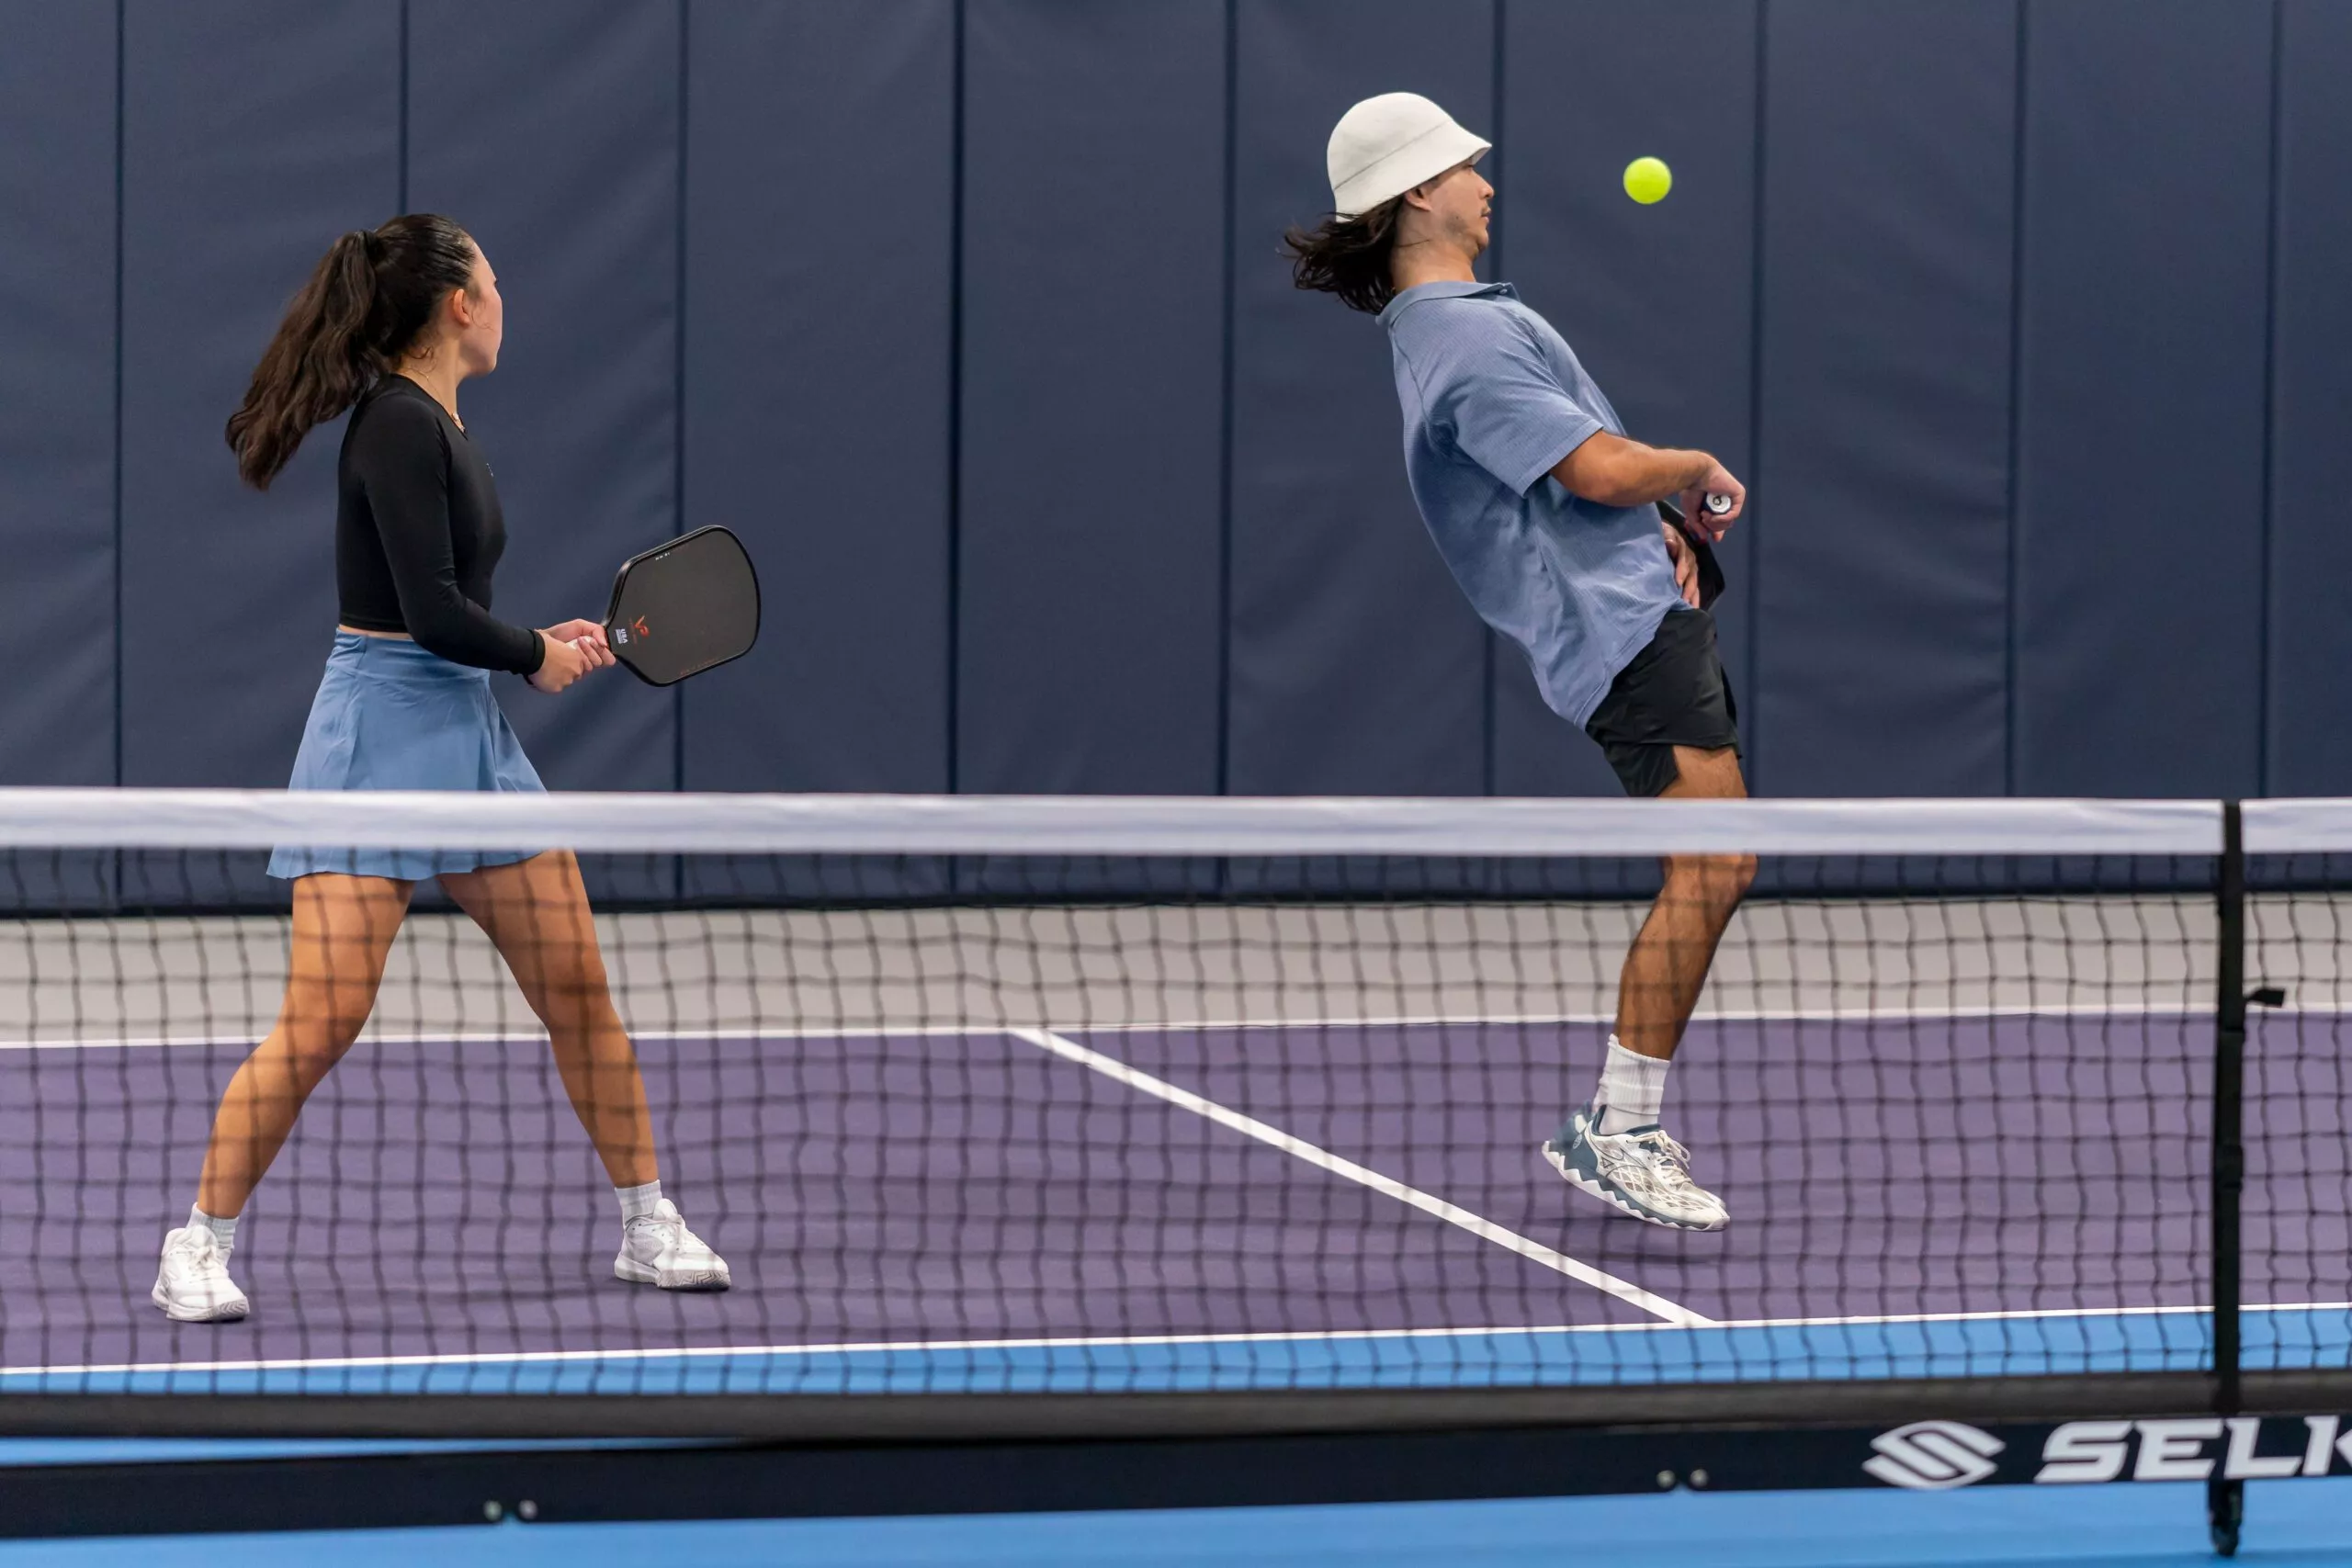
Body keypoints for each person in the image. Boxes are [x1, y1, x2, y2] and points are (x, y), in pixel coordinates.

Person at [152, 215, 729, 1321]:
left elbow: (453, 608)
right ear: (459, 306)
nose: (505, 298)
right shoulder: (399, 427)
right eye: (496, 282)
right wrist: (534, 656)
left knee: (576, 987)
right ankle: (196, 1244)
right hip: (377, 733)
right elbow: (425, 616)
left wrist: (533, 645)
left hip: (464, 732)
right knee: (325, 1016)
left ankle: (647, 1222)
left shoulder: (439, 425)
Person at [1285, 96, 1755, 1232]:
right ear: (1415, 195)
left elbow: (1564, 484)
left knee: (1721, 858)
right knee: (1719, 862)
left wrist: (1658, 542)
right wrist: (1690, 466)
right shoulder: (1466, 338)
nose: (1484, 183)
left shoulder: (1451, 327)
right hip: (1619, 637)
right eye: (1463, 167)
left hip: (1632, 613)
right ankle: (1620, 1126)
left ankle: (1621, 1118)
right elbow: (1593, 469)